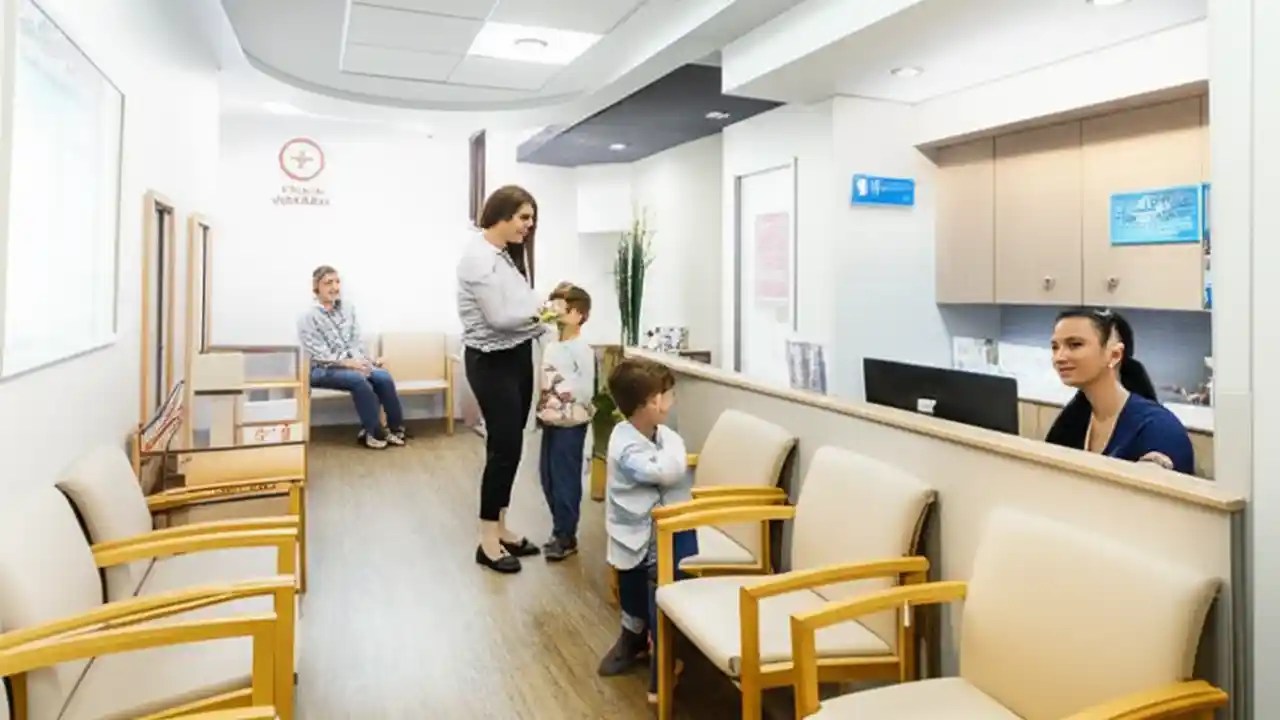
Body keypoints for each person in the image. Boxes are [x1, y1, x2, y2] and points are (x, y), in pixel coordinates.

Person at [457, 184, 554, 574]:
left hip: (516, 355)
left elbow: (521, 305)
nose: (529, 226)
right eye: (524, 218)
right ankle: (487, 541)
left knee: (513, 447)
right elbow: (499, 318)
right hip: (490, 361)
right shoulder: (477, 258)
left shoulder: (505, 255)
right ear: (501, 215)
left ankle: (501, 527)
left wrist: (539, 313)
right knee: (503, 448)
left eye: (532, 219)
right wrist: (543, 317)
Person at [597, 357, 699, 702]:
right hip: (638, 531)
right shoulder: (625, 443)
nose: (672, 401)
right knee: (634, 588)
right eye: (667, 395)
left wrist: (672, 448)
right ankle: (635, 639)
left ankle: (664, 658)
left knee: (660, 589)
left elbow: (670, 464)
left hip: (668, 531)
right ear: (652, 403)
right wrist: (675, 449)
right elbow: (666, 471)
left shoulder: (658, 434)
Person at [1044, 307, 1194, 474]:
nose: (1059, 357)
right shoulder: (1072, 422)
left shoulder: (1159, 429)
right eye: (1055, 347)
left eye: (1075, 345)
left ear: (1115, 355)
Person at [298, 265, 407, 449]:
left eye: (337, 282)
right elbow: (319, 353)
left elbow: (356, 342)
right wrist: (349, 364)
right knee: (358, 380)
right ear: (316, 287)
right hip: (321, 369)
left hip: (353, 364)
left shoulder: (348, 309)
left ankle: (395, 429)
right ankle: (374, 433)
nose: (335, 287)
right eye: (328, 283)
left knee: (383, 377)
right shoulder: (307, 317)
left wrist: (366, 362)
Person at [535, 284, 595, 561]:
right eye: (555, 305)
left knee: (565, 477)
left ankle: (566, 535)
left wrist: (561, 392)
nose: (556, 311)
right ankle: (559, 528)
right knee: (547, 475)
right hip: (551, 420)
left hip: (571, 422)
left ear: (579, 314)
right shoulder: (551, 345)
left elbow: (585, 390)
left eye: (563, 307)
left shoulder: (581, 349)